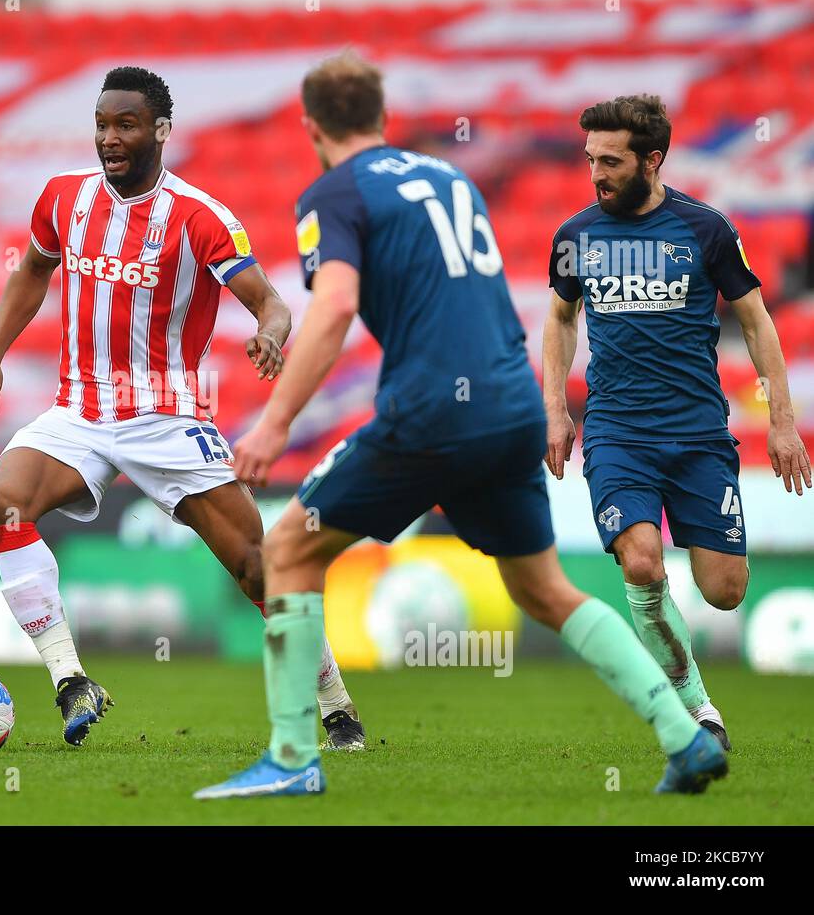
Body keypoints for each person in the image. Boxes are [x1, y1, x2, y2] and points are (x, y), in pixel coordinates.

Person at [195, 52, 727, 800]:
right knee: (544, 590)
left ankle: (290, 759)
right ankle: (683, 735)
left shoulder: (333, 194)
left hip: (432, 410)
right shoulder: (450, 177)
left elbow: (337, 304)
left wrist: (275, 422)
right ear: (381, 118)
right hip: (509, 403)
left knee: (284, 549)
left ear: (310, 125)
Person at [0, 66, 362, 748]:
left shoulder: (199, 216)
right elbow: (33, 269)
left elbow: (268, 300)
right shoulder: (63, 199)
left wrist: (271, 331)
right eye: (101, 124)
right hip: (80, 413)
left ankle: (334, 705)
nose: (109, 138)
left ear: (160, 131)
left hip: (165, 417)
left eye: (125, 125)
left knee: (255, 568)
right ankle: (70, 679)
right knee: (2, 503)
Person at [542, 94, 811, 752]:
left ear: (652, 159)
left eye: (611, 161)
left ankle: (688, 675)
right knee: (641, 564)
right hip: (617, 432)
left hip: (697, 435)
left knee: (724, 590)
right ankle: (696, 711)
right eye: (590, 160)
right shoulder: (578, 236)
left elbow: (755, 320)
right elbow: (558, 319)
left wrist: (781, 422)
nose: (596, 173)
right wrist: (554, 409)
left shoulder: (705, 229)